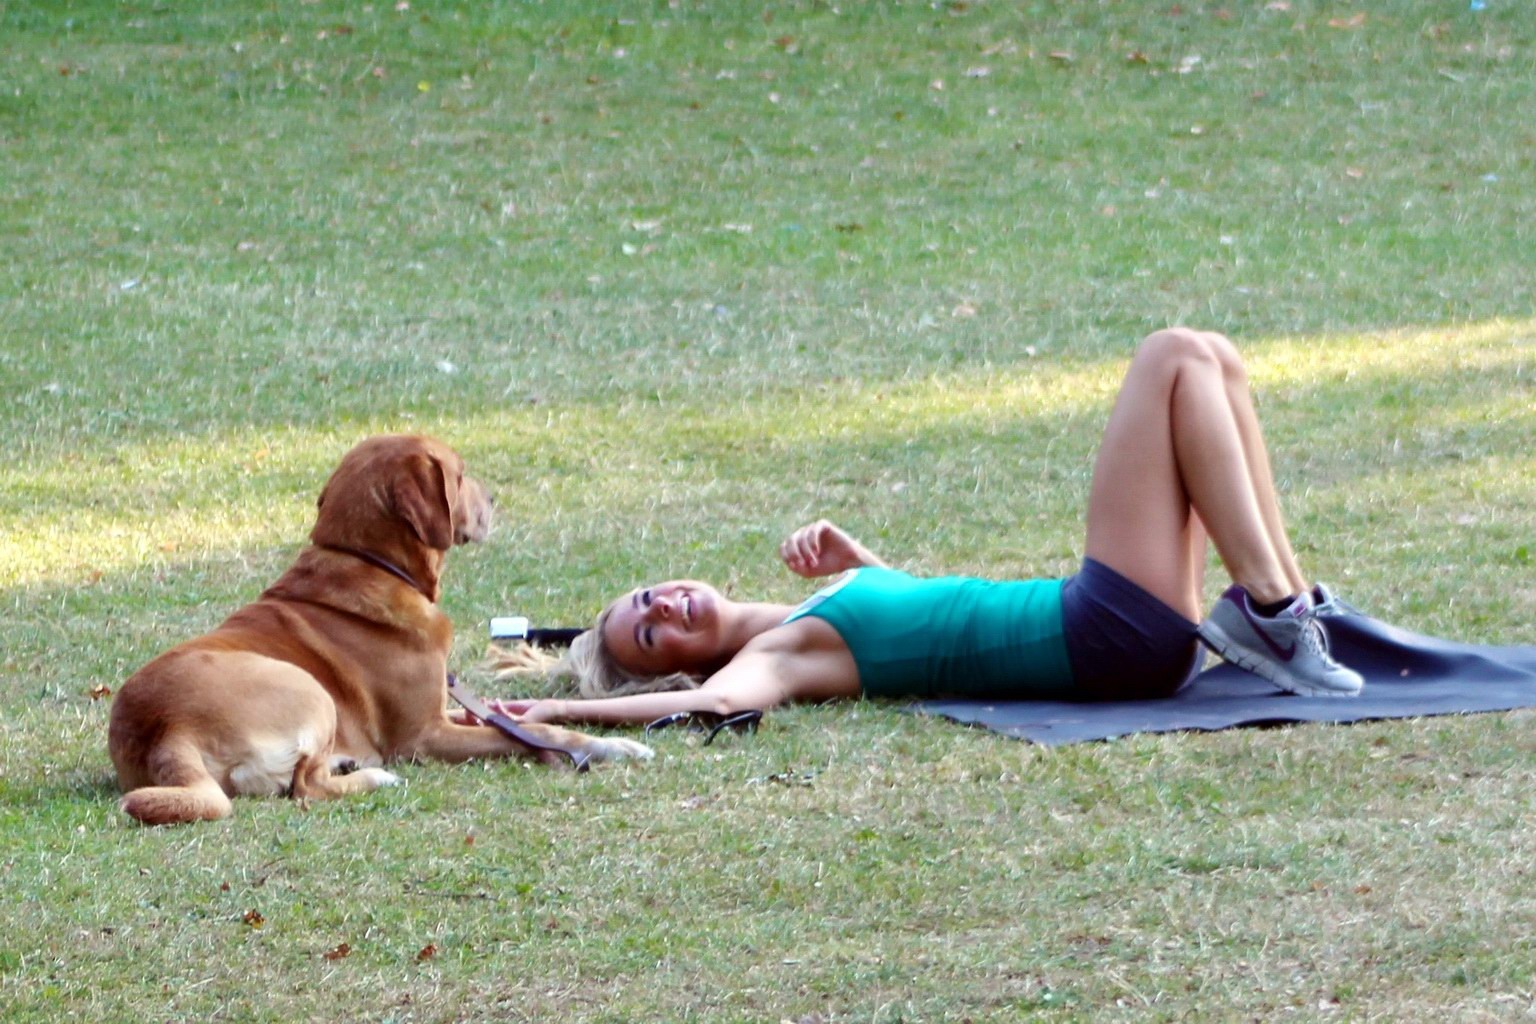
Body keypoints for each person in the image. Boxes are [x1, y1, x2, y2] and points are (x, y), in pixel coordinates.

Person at [490, 328, 1363, 731]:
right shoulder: (773, 659)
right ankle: (1272, 612)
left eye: (649, 596)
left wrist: (862, 562)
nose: (667, 608)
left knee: (1212, 357)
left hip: (1114, 631)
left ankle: (1293, 604)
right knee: (1169, 355)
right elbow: (717, 703)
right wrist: (560, 709)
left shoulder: (817, 611)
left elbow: (931, 628)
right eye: (653, 636)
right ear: (677, 662)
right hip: (1103, 632)